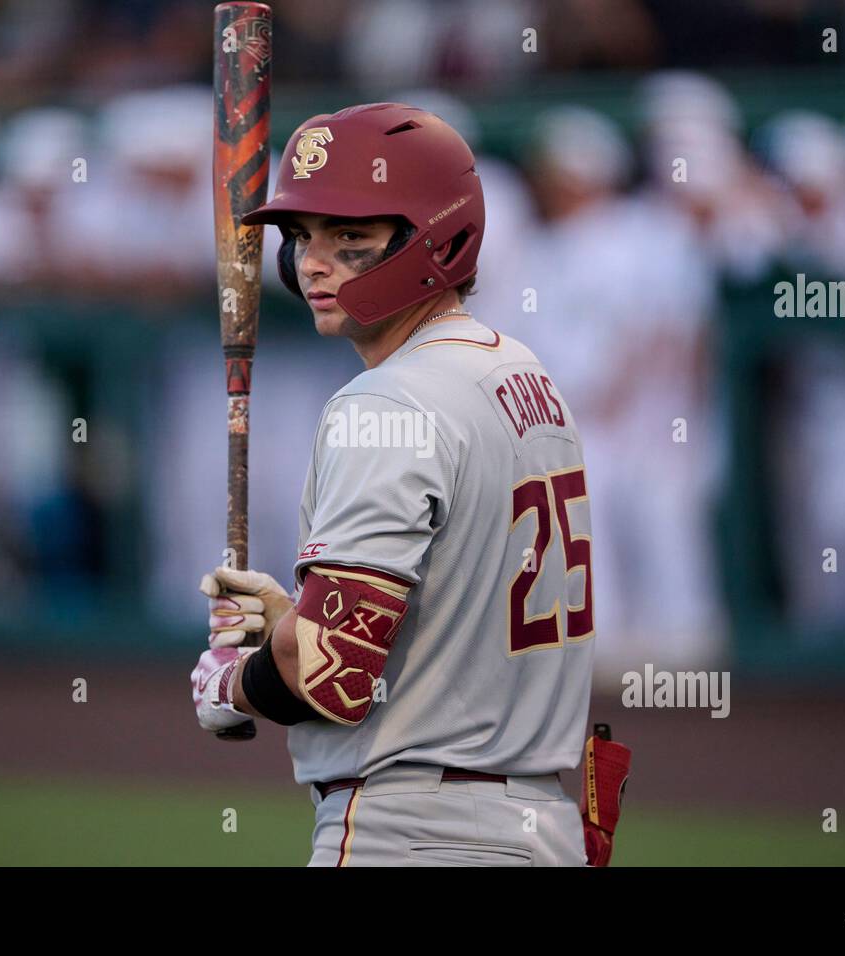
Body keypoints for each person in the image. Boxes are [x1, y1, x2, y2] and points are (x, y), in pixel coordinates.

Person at [189, 103, 618, 866]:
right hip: (543, 830)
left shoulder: (386, 401)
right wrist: (291, 619)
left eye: (350, 238)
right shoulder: (523, 374)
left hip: (411, 833)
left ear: (435, 236)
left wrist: (234, 682)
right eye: (302, 239)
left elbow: (332, 675)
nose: (314, 263)